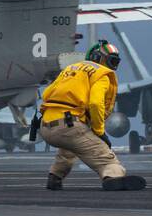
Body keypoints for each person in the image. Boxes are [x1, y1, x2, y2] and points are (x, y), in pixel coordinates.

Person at [37, 41, 145, 191]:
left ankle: (55, 177)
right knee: (106, 158)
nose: (113, 65)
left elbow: (46, 93)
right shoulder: (102, 74)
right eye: (112, 60)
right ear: (100, 58)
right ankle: (113, 177)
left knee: (70, 147)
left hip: (46, 127)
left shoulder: (70, 69)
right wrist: (99, 131)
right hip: (69, 126)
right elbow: (95, 103)